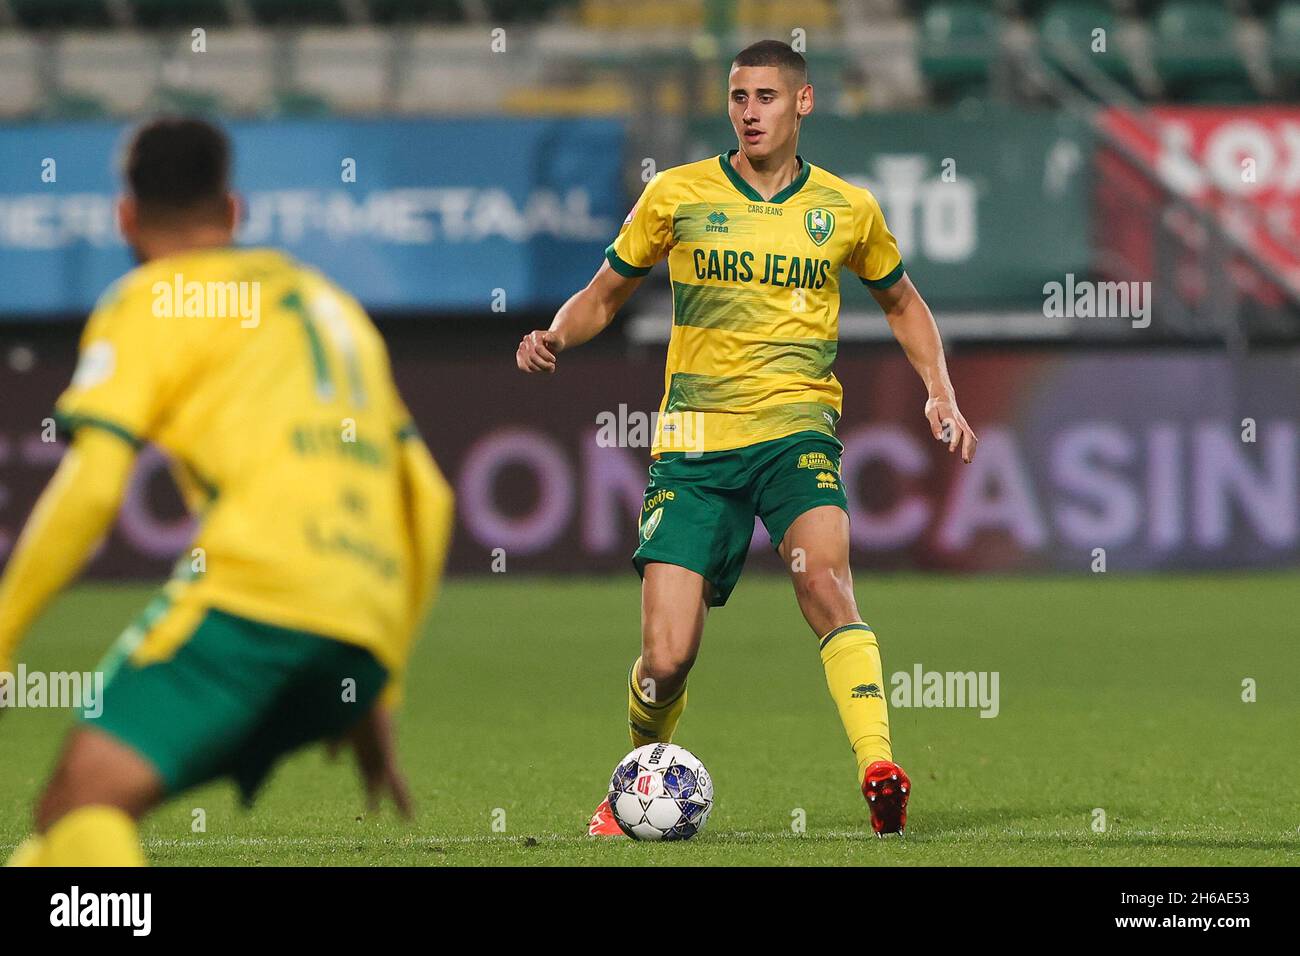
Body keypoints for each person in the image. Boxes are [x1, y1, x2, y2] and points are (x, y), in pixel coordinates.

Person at [516, 41, 977, 837]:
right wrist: (557, 333)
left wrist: (940, 392)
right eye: (738, 97)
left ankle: (878, 768)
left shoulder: (847, 209)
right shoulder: (677, 194)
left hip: (797, 432)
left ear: (801, 103)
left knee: (826, 584)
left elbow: (903, 303)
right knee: (666, 660)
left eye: (766, 96)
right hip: (693, 447)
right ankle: (634, 790)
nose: (749, 111)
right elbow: (606, 291)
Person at [0, 117, 453, 865]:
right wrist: (381, 691)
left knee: (79, 803)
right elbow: (430, 502)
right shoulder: (328, 304)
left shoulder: (148, 298)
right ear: (234, 210)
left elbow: (91, 487)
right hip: (365, 626)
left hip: (257, 595)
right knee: (68, 833)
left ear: (125, 216)